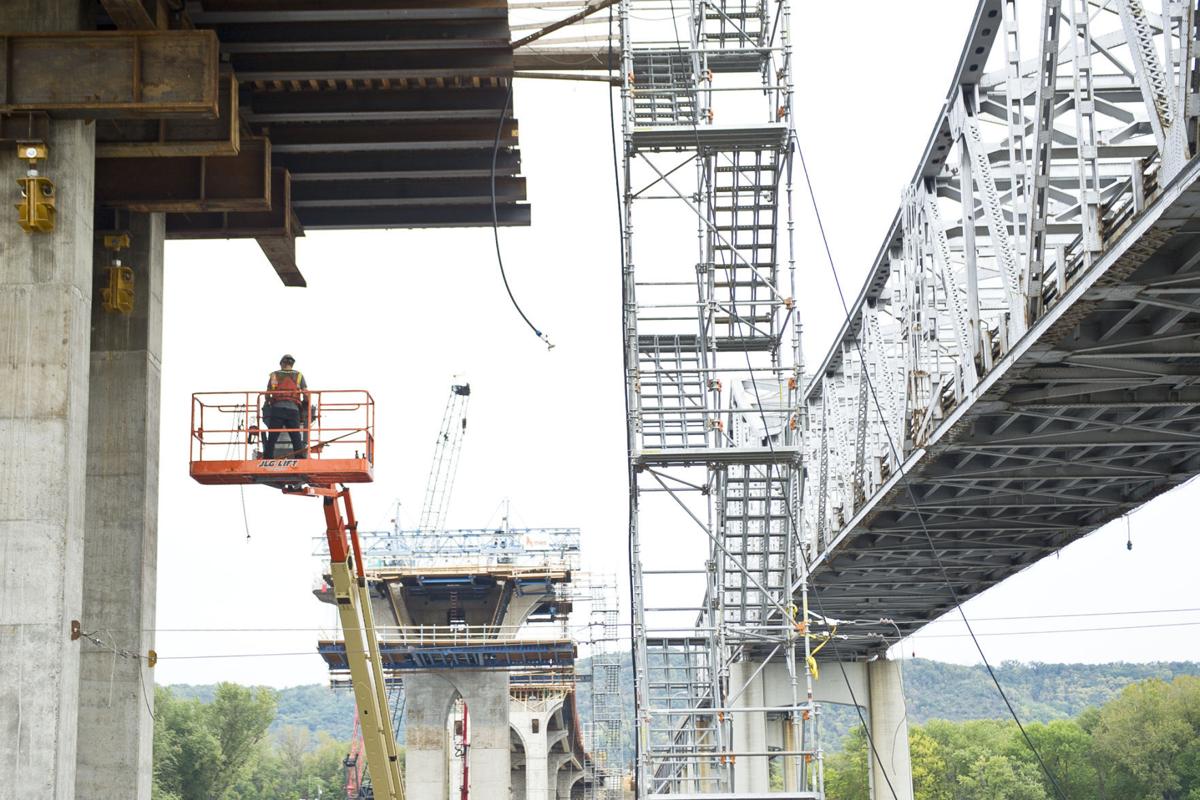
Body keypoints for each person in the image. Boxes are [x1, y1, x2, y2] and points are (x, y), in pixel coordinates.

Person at [263, 354, 309, 458]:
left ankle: (268, 458)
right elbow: (306, 394)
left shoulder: (274, 375)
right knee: (296, 436)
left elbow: (267, 394)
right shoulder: (299, 375)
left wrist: (268, 402)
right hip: (293, 410)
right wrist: (305, 404)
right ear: (292, 364)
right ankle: (299, 458)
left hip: (277, 409)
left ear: (281, 364)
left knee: (272, 436)